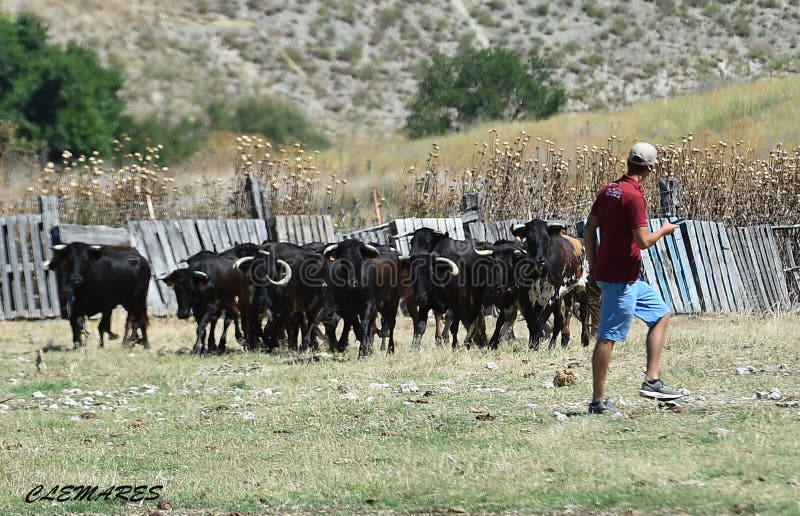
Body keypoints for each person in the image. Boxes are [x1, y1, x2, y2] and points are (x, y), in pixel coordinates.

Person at [582, 142, 684, 416]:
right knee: (607, 336)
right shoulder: (634, 197)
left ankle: (652, 381)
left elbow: (589, 231)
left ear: (628, 163)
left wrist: (594, 266)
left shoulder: (609, 191)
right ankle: (598, 402)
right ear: (651, 168)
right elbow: (643, 242)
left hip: (623, 276)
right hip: (621, 279)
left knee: (661, 314)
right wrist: (664, 229)